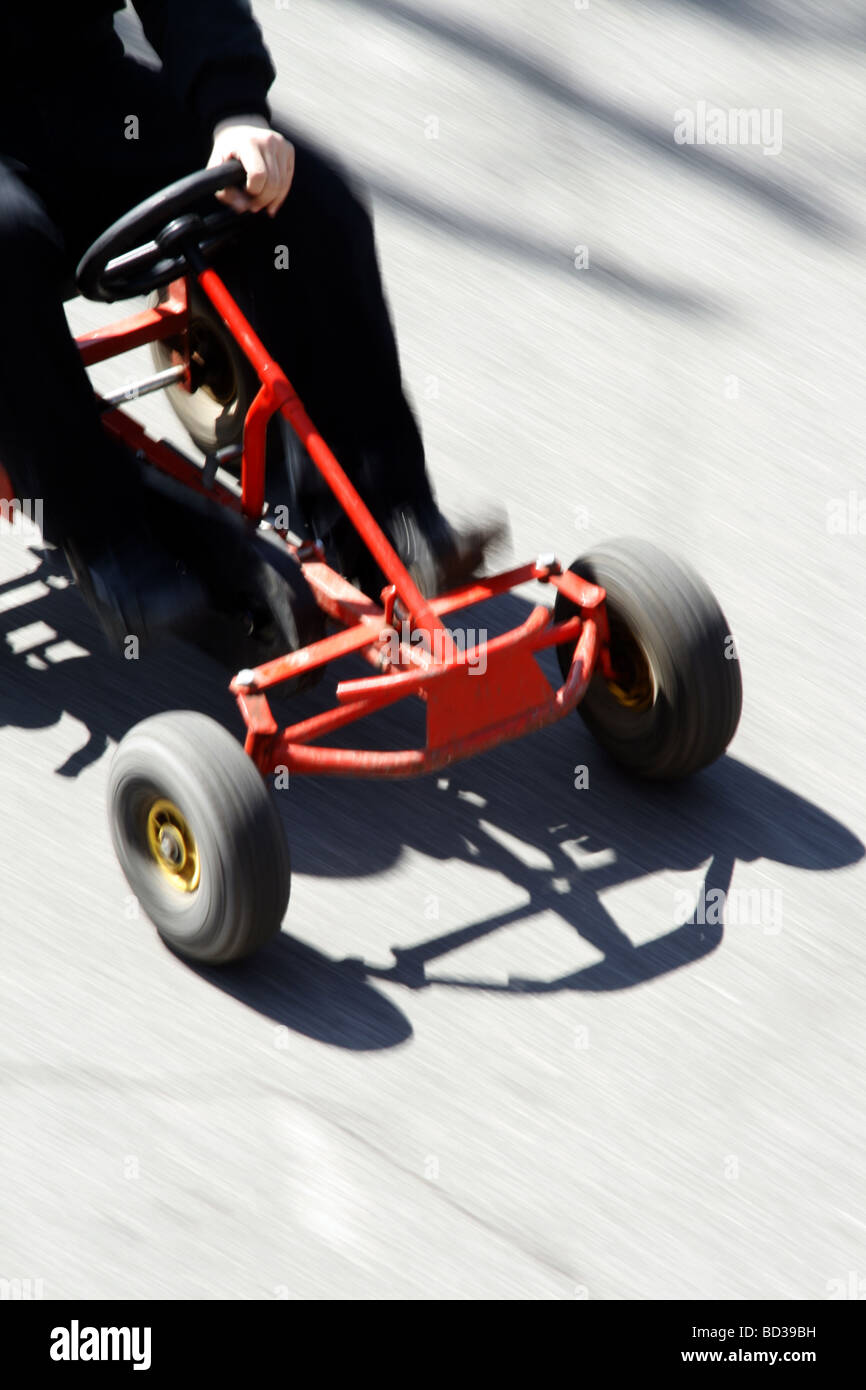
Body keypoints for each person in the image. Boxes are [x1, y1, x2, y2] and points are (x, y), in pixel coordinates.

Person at [0, 0, 502, 643]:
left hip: (84, 93)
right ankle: (112, 542)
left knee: (307, 201)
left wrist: (234, 112)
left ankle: (387, 527)